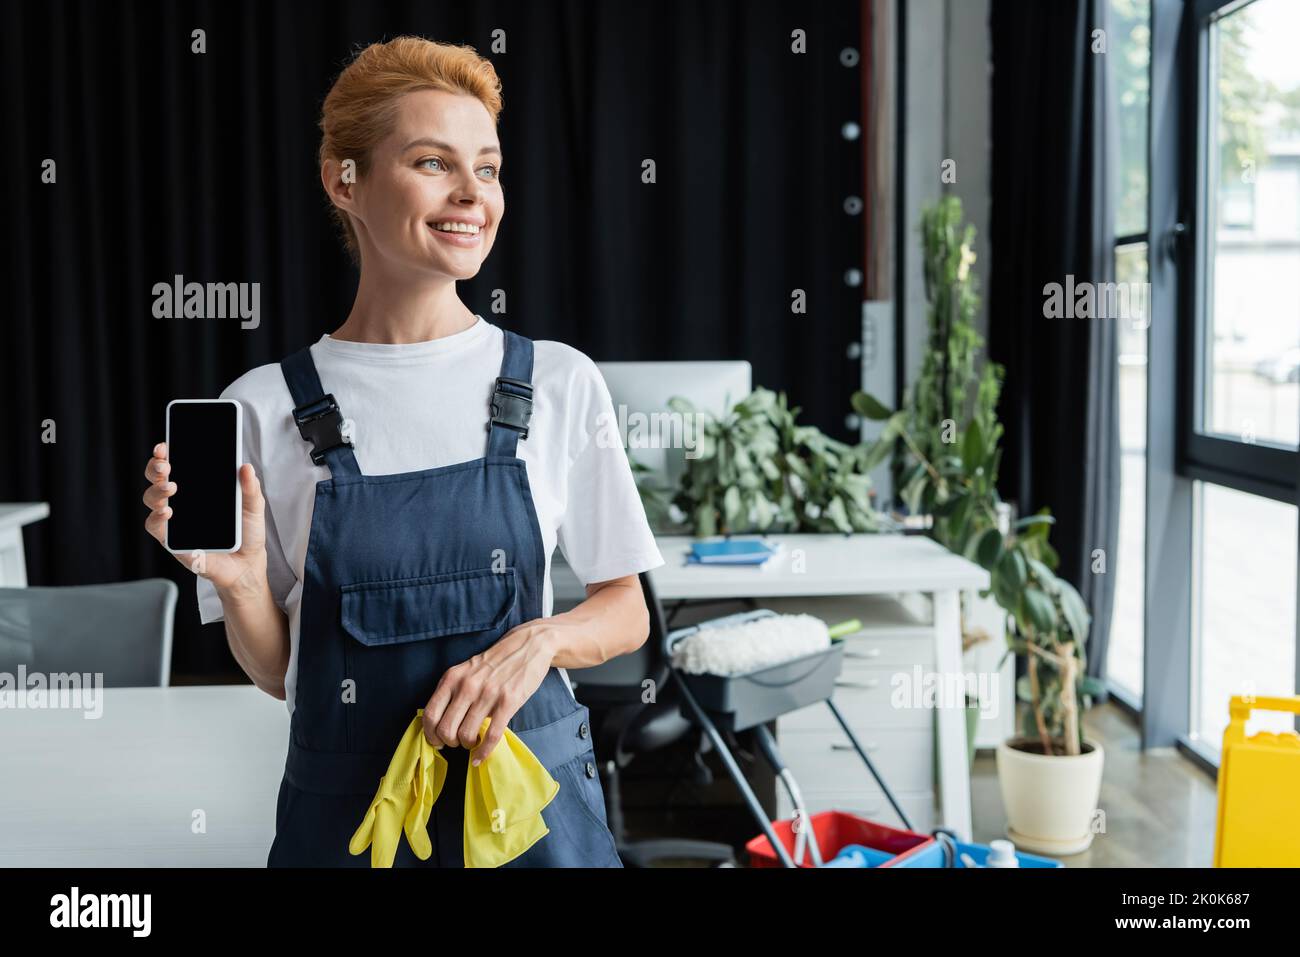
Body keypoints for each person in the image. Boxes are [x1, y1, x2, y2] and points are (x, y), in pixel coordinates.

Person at [141, 36, 664, 867]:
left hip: (533, 828)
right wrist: (240, 586)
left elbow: (627, 609)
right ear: (342, 179)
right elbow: (282, 673)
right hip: (348, 830)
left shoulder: (556, 382)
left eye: (488, 169)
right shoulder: (265, 406)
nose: (471, 196)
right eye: (433, 162)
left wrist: (539, 643)